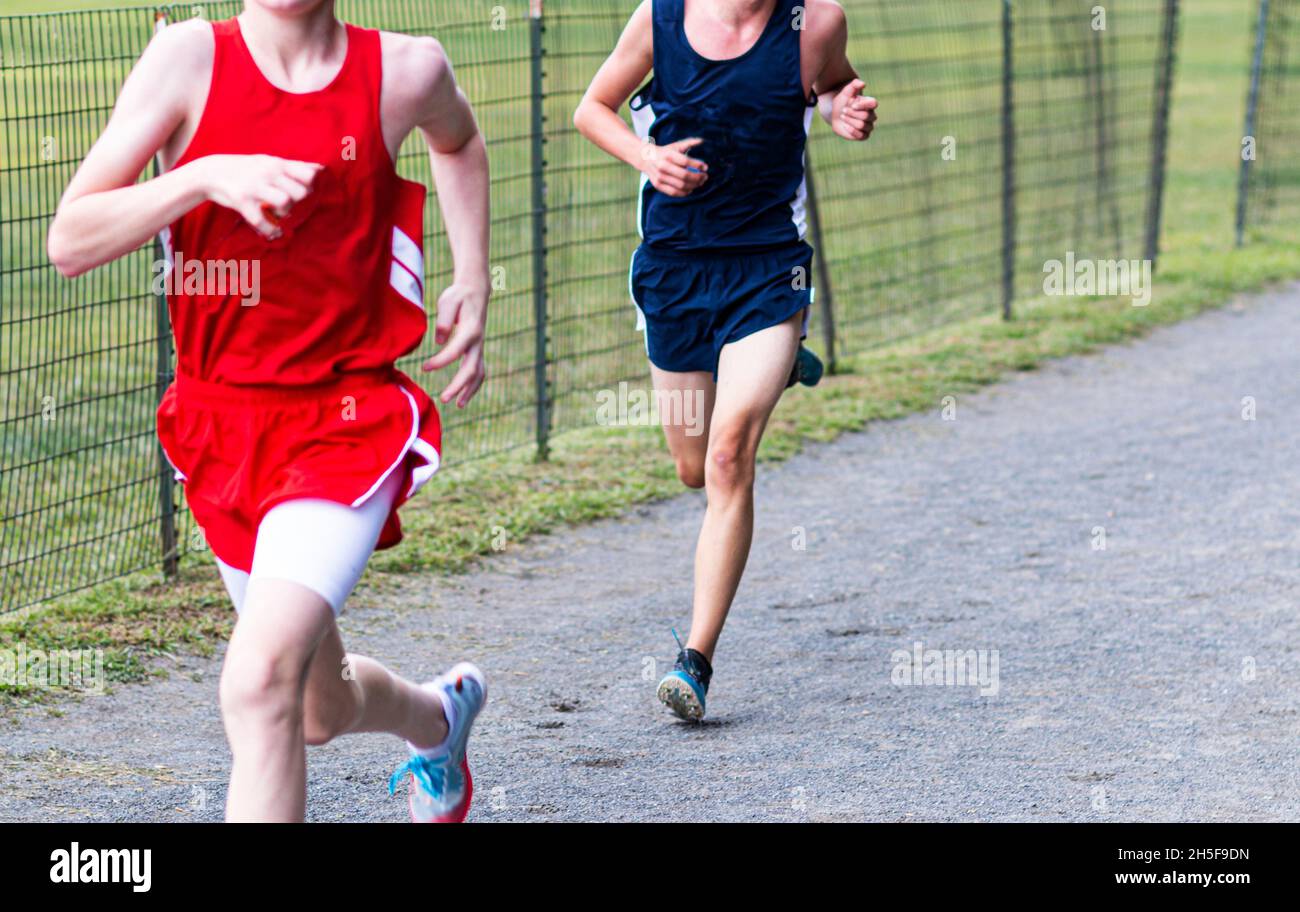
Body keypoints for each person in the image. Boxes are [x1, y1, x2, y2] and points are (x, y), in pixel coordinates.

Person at [47, 0, 490, 822]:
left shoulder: (406, 69)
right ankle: (439, 718)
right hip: (221, 427)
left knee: (256, 687)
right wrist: (204, 175)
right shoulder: (185, 59)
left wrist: (474, 274)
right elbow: (71, 239)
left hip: (345, 424)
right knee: (316, 710)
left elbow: (458, 142)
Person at [574, 0, 876, 720]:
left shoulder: (816, 24)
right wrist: (647, 157)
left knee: (727, 456)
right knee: (690, 463)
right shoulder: (661, 19)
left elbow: (836, 85)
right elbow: (592, 108)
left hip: (769, 269)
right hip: (676, 272)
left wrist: (839, 110)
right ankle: (769, 364)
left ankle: (696, 659)